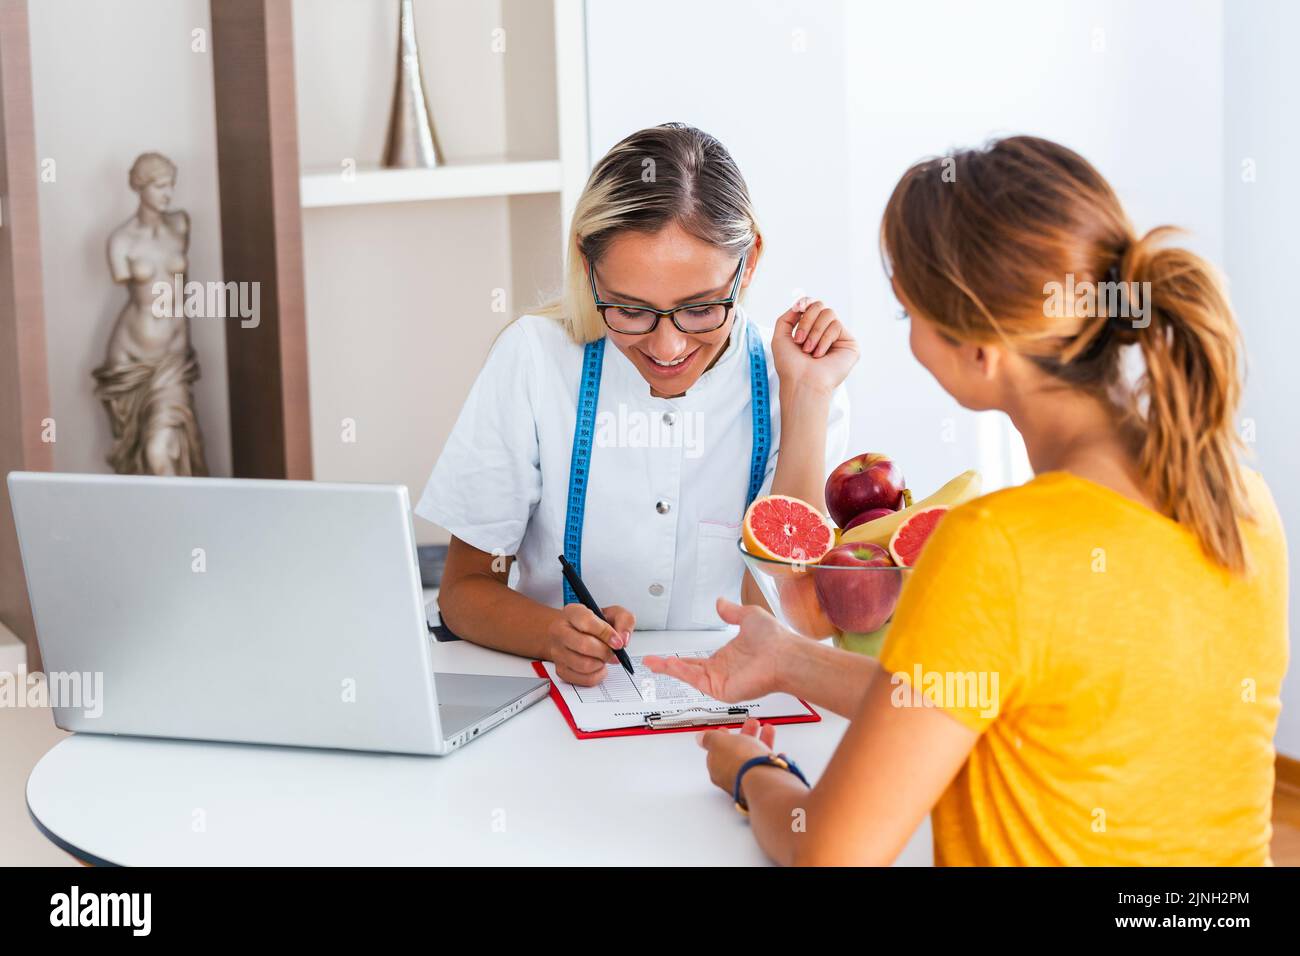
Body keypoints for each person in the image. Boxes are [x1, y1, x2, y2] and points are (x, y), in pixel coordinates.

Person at [648, 135, 1289, 866]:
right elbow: (1002, 703)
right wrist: (789, 660)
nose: (910, 337)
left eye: (908, 314)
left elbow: (829, 853)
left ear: (980, 352)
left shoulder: (998, 547)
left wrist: (750, 772)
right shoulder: (1237, 498)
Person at [417, 124, 854, 686]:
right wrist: (551, 633)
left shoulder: (797, 381)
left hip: (740, 705)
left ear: (748, 266)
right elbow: (464, 592)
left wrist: (806, 401)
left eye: (700, 309)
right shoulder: (532, 360)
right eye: (629, 309)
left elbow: (780, 616)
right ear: (587, 266)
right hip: (564, 711)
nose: (667, 347)